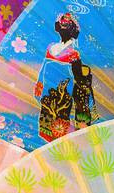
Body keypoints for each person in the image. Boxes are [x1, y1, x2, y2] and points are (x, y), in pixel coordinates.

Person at [36, 14, 90, 142]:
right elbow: (44, 68)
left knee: (60, 118)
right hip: (48, 89)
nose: (63, 27)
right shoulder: (51, 48)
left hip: (63, 93)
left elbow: (78, 78)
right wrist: (39, 84)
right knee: (46, 114)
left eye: (67, 25)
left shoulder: (73, 54)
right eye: (62, 24)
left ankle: (58, 143)